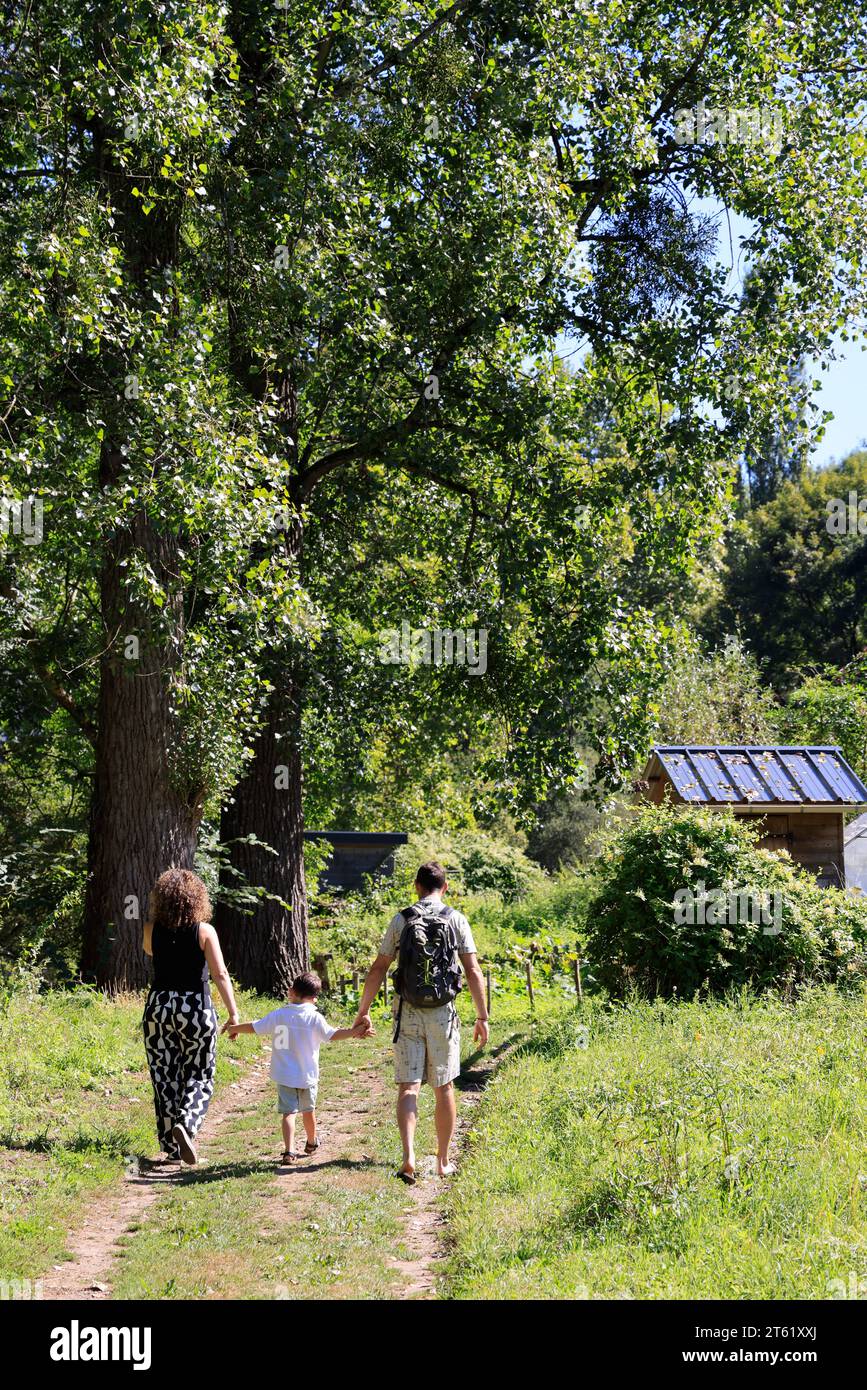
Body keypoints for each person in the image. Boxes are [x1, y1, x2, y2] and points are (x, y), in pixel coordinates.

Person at [353, 860, 489, 1184]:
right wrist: (482, 1016)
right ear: (445, 888)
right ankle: (442, 1162)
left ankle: (409, 1157)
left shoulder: (402, 919)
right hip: (444, 1014)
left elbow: (378, 968)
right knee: (444, 1087)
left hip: (408, 1012)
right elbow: (472, 970)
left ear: (416, 886)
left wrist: (363, 1011)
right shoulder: (456, 919)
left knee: (408, 1086)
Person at [142, 868, 240, 1166]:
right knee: (199, 1072)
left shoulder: (150, 928)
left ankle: (172, 1148)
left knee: (164, 1076)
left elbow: (149, 952)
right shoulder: (204, 931)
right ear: (197, 898)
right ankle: (187, 1124)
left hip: (158, 1007)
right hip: (195, 1006)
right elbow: (220, 973)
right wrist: (233, 1013)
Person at [226, 970, 366, 1165]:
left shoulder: (279, 1014)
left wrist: (234, 1028)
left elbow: (255, 1027)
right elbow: (332, 1035)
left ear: (290, 991)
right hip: (307, 1075)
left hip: (284, 1075)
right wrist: (354, 1032)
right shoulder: (314, 1018)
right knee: (309, 1110)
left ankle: (289, 1151)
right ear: (315, 999)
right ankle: (311, 1142)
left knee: (288, 1113)